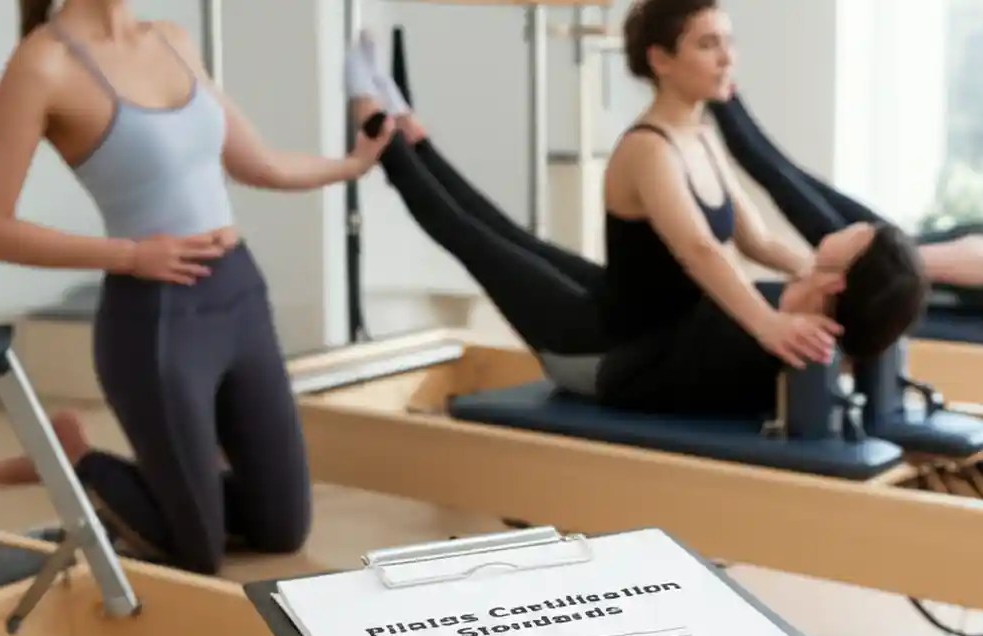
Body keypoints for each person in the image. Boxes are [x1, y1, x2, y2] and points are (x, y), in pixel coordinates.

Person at [0, 0, 396, 575]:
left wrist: (353, 164)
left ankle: (176, 477)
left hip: (240, 296)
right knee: (198, 551)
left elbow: (259, 164)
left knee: (282, 528)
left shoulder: (172, 40)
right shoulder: (44, 63)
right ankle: (75, 457)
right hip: (157, 317)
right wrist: (129, 255)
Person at [346, 0, 927, 418]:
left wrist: (816, 278)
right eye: (708, 43)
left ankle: (406, 130)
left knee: (492, 231)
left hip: (630, 350)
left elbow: (756, 242)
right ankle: (382, 126)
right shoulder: (651, 148)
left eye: (728, 41)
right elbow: (699, 249)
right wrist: (770, 319)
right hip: (604, 335)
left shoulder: (699, 136)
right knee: (478, 234)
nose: (728, 59)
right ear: (661, 60)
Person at [708, 90, 983, 322]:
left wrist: (810, 268)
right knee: (782, 169)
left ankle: (713, 86)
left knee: (773, 170)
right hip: (878, 234)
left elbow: (890, 264)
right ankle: (720, 87)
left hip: (868, 247)